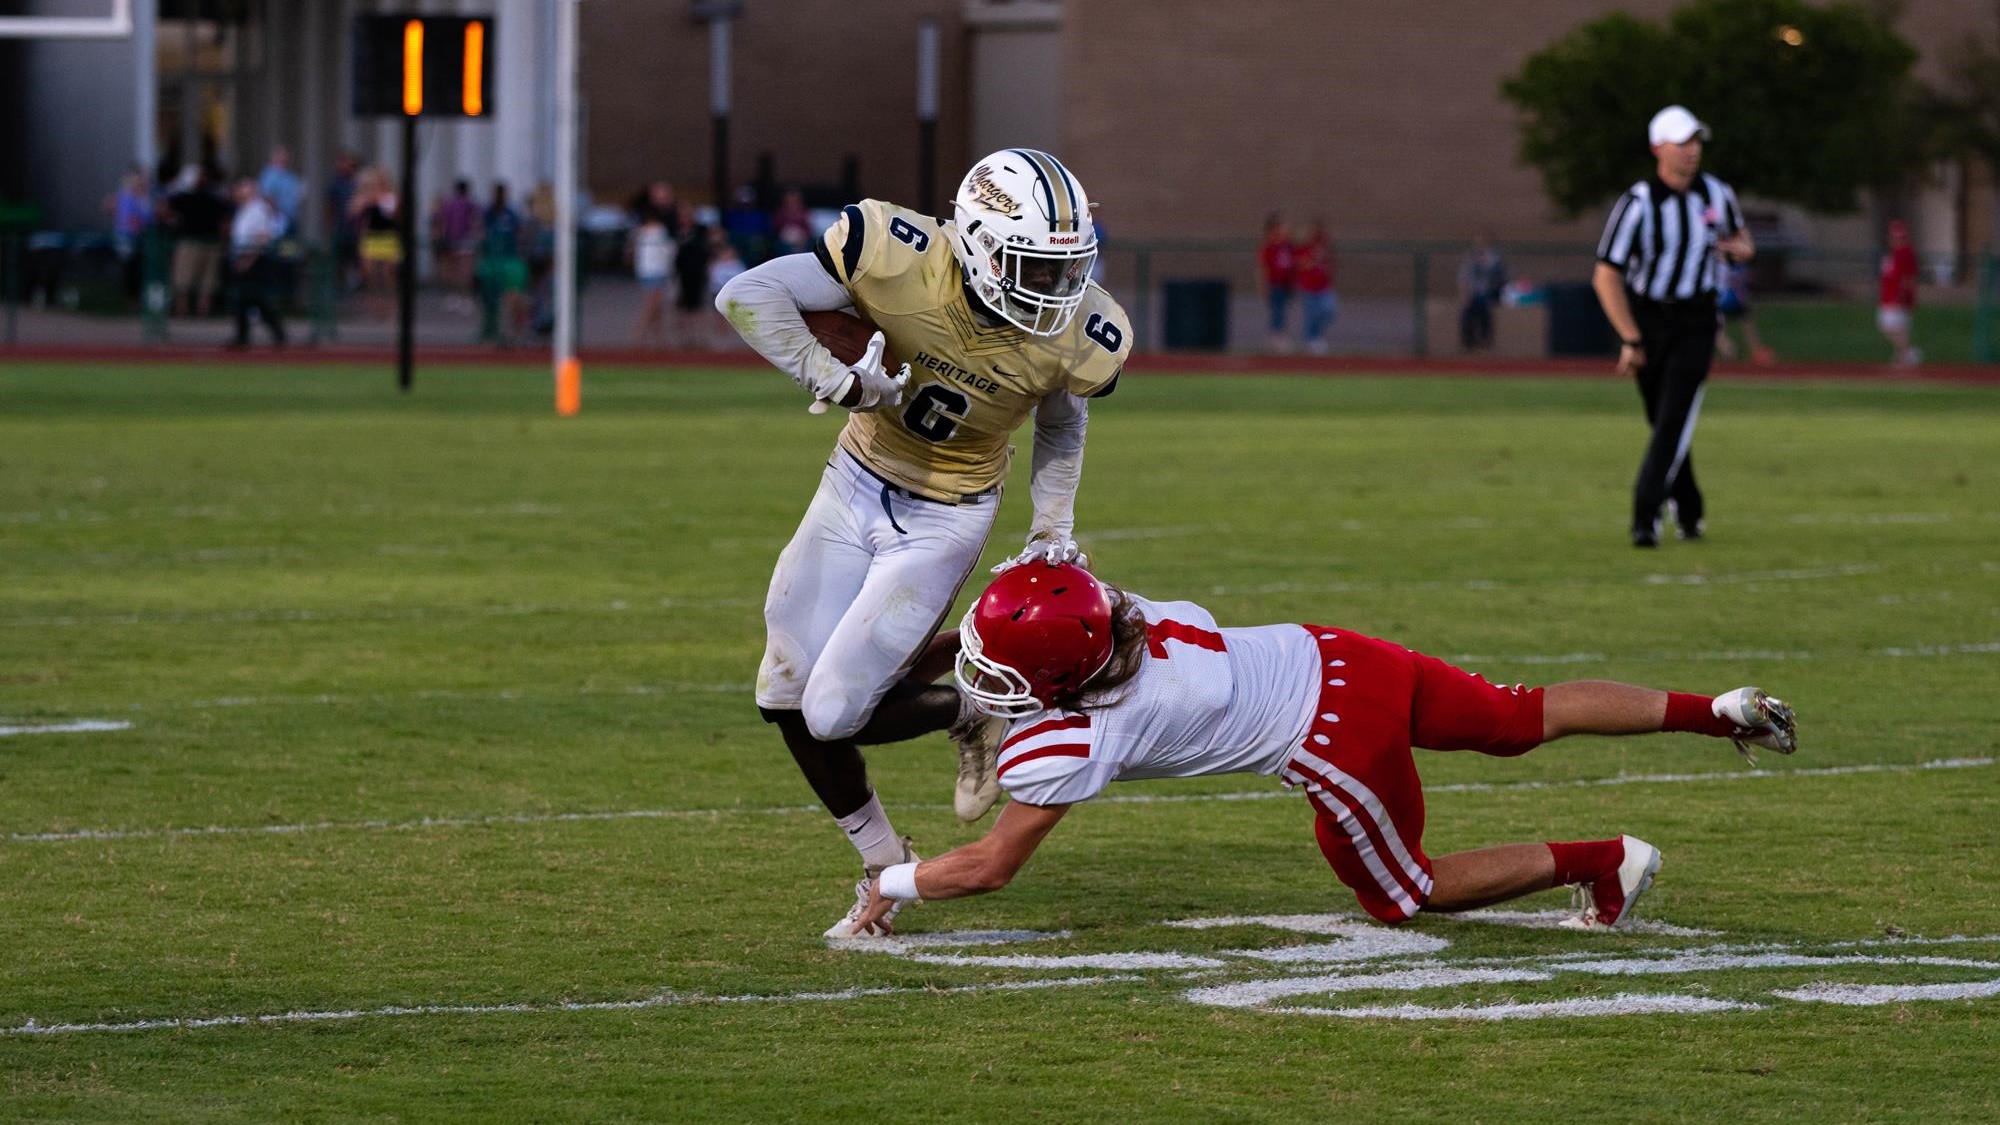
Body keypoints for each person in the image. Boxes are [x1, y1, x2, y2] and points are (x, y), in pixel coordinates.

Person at [853, 562, 1798, 935]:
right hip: (1337, 651)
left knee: (1402, 892)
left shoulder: (1092, 730)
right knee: (1520, 716)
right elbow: (1047, 625)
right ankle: (1717, 709)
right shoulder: (1121, 613)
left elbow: (987, 866)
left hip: (1331, 735)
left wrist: (885, 885)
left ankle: (1608, 863)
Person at [714, 149, 1133, 940]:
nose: (1057, 291)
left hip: (948, 511)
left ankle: (978, 702)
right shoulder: (895, 254)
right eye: (1034, 268)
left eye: (1065, 268)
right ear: (975, 242)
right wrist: (828, 376)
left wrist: (1052, 527)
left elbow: (1063, 417)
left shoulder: (1083, 329)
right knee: (783, 692)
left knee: (835, 711)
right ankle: (884, 859)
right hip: (855, 477)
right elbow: (747, 293)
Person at [1592, 105, 1753, 548]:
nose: (1691, 151)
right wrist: (1630, 337)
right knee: (1661, 419)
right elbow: (1606, 275)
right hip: (1648, 317)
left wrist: (1736, 249)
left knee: (1673, 418)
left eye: (1696, 142)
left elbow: (1744, 242)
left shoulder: (1717, 193)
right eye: (1682, 142)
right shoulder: (1639, 203)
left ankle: (1645, 514)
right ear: (1657, 148)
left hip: (1697, 318)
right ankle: (1690, 506)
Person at [226, 177, 287, 349]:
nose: (238, 191)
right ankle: (243, 336)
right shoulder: (243, 210)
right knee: (244, 300)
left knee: (255, 298)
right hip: (242, 258)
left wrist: (248, 260)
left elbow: (263, 237)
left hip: (255, 261)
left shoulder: (257, 210)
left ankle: (277, 333)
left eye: (243, 188)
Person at [165, 164, 229, 319]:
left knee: (187, 280)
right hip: (206, 243)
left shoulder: (184, 198)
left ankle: (188, 311)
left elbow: (165, 211)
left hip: (193, 243)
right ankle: (195, 311)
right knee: (201, 281)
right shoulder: (212, 198)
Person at [628, 207, 676, 348]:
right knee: (651, 305)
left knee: (657, 307)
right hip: (655, 271)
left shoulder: (640, 232)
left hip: (647, 271)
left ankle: (659, 339)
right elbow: (668, 251)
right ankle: (638, 336)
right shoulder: (657, 231)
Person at [430, 179, 483, 306]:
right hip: (464, 240)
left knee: (453, 270)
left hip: (452, 239)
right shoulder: (469, 203)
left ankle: (454, 296)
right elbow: (476, 220)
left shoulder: (449, 204)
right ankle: (463, 297)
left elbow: (441, 221)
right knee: (464, 271)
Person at [1714, 259, 1775, 367]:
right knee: (1726, 329)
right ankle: (1749, 352)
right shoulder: (1733, 264)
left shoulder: (1728, 264)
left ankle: (1733, 353)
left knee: (1721, 330)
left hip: (1727, 300)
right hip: (1730, 299)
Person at [1878, 219, 1920, 368]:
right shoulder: (1894, 254)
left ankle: (1908, 353)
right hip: (1889, 296)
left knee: (1890, 327)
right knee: (1896, 328)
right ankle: (1902, 355)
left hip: (1897, 297)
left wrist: (1904, 295)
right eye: (1894, 237)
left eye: (1900, 238)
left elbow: (1909, 277)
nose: (1896, 240)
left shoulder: (1905, 253)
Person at [1458, 233, 1508, 352]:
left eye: (1483, 243)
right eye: (1478, 243)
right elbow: (1463, 278)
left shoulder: (1495, 260)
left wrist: (1497, 292)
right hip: (1473, 293)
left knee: (1485, 317)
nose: (1480, 246)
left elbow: (1501, 277)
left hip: (1486, 293)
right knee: (1467, 317)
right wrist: (1465, 294)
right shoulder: (1470, 259)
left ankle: (1485, 342)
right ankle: (1468, 343)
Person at [671, 202, 712, 346]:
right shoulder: (676, 231)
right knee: (682, 306)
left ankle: (699, 337)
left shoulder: (700, 231)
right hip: (681, 274)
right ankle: (684, 338)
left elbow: (709, 248)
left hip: (697, 273)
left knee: (698, 305)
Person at [1294, 220, 1337, 355]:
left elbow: (1331, 265)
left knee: (1329, 310)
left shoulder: (1325, 248)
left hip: (1324, 287)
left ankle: (1316, 335)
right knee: (1311, 315)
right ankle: (1311, 339)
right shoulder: (1305, 249)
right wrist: (1313, 259)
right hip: (1309, 287)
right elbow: (1300, 264)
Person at [1258, 214, 1295, 353]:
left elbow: (1292, 264)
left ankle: (1280, 334)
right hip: (1275, 284)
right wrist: (1264, 287)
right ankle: (1275, 336)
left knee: (1283, 310)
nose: (1285, 230)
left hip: (1286, 284)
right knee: (1277, 310)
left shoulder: (1287, 246)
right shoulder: (1269, 248)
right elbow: (1264, 269)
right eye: (1281, 227)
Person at [257, 145, 303, 235]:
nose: (284, 159)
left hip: (292, 216)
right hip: (278, 218)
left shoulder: (290, 175)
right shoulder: (270, 174)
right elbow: (266, 194)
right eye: (281, 156)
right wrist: (277, 214)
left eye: (285, 156)